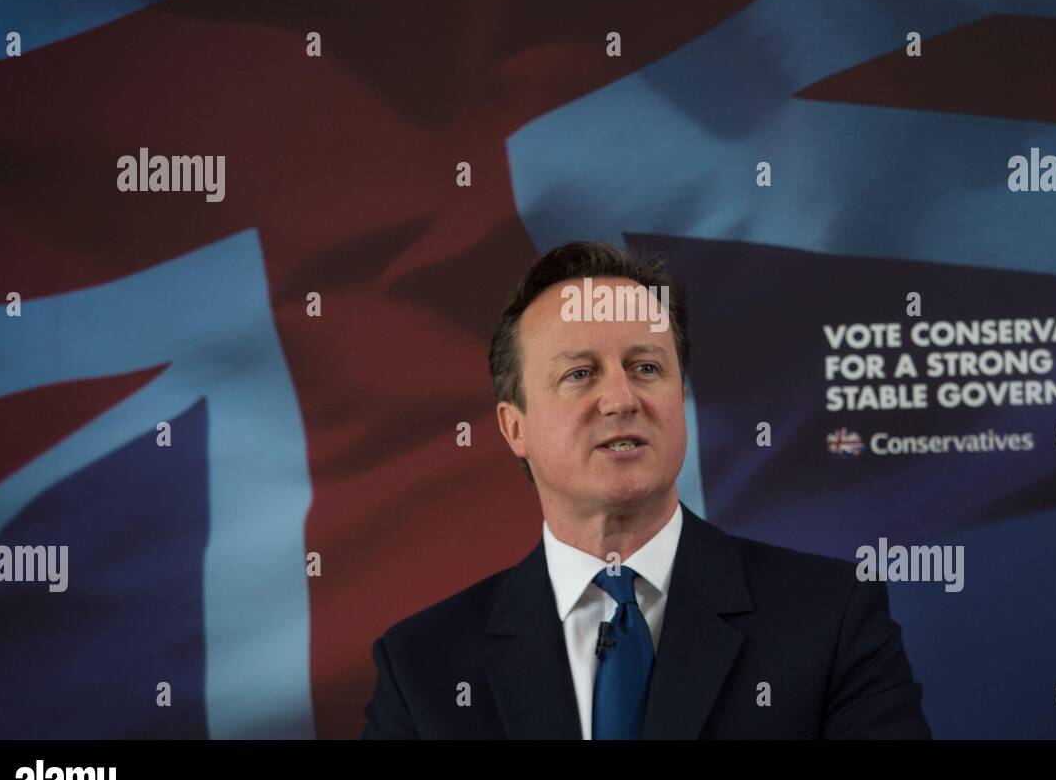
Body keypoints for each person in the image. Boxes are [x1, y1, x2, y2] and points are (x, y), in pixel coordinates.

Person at [361, 241, 931, 739]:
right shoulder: (424, 666)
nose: (621, 400)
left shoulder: (830, 618)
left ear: (680, 399)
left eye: (646, 368)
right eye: (580, 373)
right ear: (515, 427)